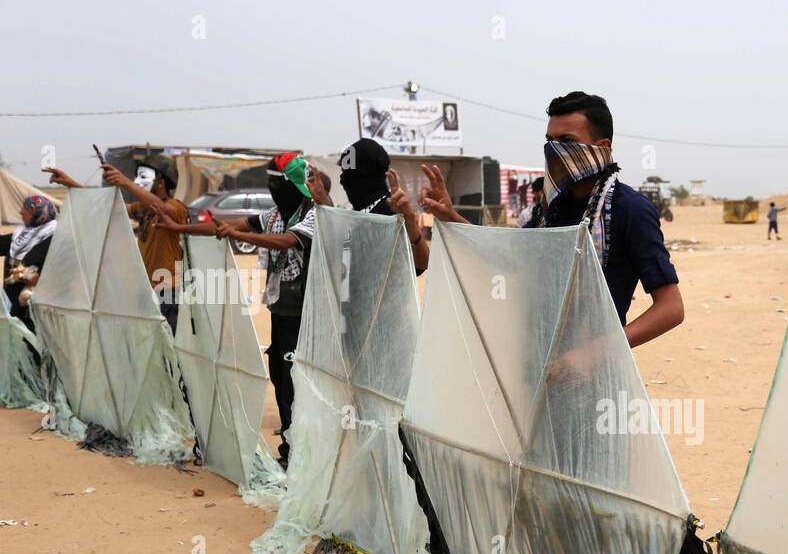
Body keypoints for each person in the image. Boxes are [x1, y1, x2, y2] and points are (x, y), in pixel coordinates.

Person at [419, 91, 684, 348]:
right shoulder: (547, 211)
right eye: (550, 141)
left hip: (593, 377)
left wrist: (597, 353)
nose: (554, 151)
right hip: (534, 364)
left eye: (566, 140)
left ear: (602, 148)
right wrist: (450, 216)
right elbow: (505, 257)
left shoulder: (630, 210)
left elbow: (671, 308)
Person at [160, 153, 316, 466]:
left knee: (301, 382)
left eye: (275, 183)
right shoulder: (273, 214)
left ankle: (306, 454)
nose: (271, 188)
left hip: (308, 315)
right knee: (282, 379)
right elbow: (226, 227)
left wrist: (239, 235)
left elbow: (285, 242)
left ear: (290, 184)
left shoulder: (313, 214)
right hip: (280, 311)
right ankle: (290, 450)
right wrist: (181, 229)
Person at [44, 155, 190, 332]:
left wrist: (125, 183)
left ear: (161, 182)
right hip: (146, 290)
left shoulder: (177, 208)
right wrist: (71, 183)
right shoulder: (143, 209)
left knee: (171, 347)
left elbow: (162, 208)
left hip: (169, 292)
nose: (137, 182)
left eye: (143, 177)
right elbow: (110, 205)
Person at [337, 138, 428, 274]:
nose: (342, 180)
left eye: (347, 172)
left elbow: (420, 265)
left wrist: (409, 219)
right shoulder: (357, 213)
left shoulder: (390, 214)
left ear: (363, 174)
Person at [0, 195, 58, 333]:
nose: (21, 212)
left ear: (38, 213)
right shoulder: (22, 235)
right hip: (14, 304)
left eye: (25, 208)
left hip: (38, 310)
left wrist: (38, 279)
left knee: (35, 346)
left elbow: (64, 272)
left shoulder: (56, 240)